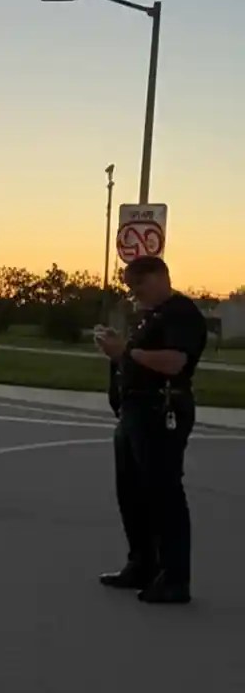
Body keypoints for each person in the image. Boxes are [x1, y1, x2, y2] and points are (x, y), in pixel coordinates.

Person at [94, 255, 206, 605]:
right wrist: (118, 352)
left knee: (164, 493)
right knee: (131, 493)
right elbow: (136, 357)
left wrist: (126, 350)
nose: (135, 294)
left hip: (161, 409)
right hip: (135, 411)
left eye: (138, 285)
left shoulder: (180, 313)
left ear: (159, 277)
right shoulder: (152, 316)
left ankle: (175, 579)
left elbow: (174, 362)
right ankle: (142, 565)